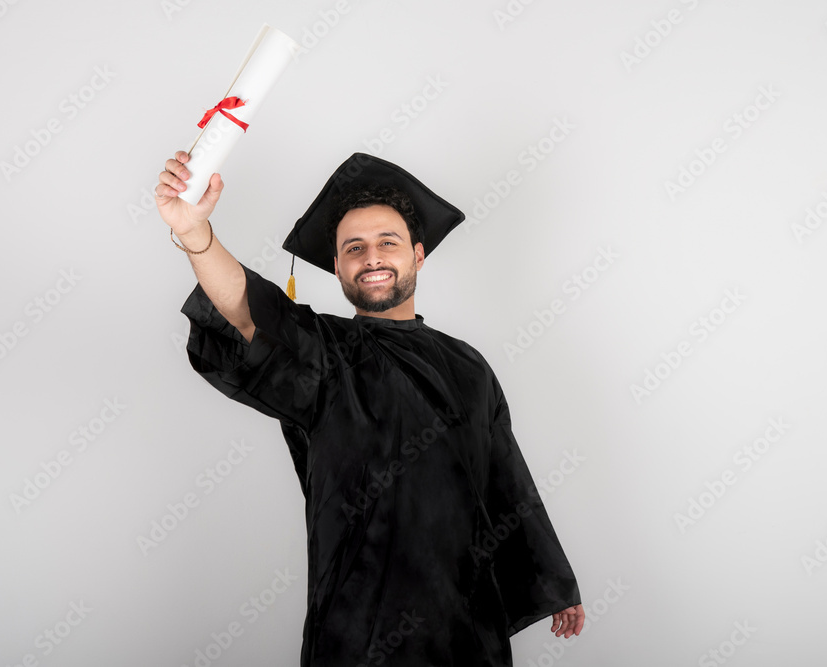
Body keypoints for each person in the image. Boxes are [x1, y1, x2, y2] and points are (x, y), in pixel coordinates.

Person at [156, 150, 585, 666]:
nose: (372, 257)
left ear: (418, 255)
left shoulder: (469, 366)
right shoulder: (327, 354)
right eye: (354, 248)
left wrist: (552, 579)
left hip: (466, 631)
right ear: (336, 266)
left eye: (388, 242)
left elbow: (506, 477)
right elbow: (251, 311)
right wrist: (197, 236)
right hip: (357, 632)